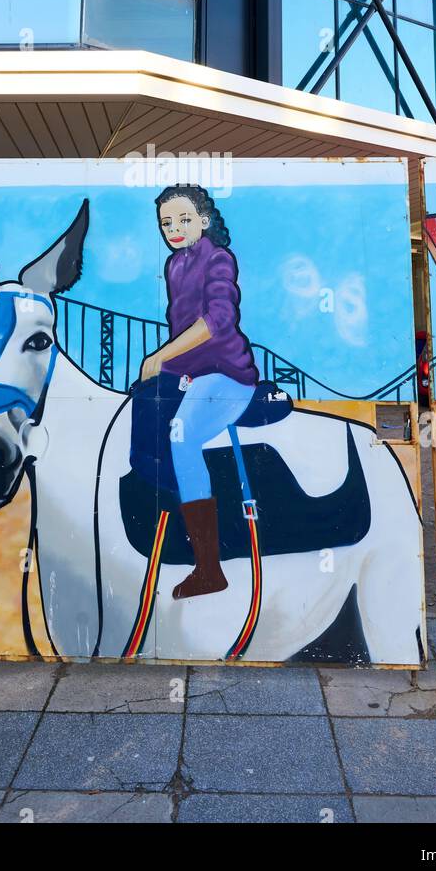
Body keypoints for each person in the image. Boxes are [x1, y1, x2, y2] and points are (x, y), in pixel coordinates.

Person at [139, 184, 259, 599]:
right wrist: (166, 369)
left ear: (204, 221)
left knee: (182, 435)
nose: (173, 228)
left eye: (184, 219)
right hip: (193, 375)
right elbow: (182, 331)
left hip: (227, 374)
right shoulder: (175, 265)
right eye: (166, 222)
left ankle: (209, 569)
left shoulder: (219, 259)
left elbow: (218, 320)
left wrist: (161, 357)